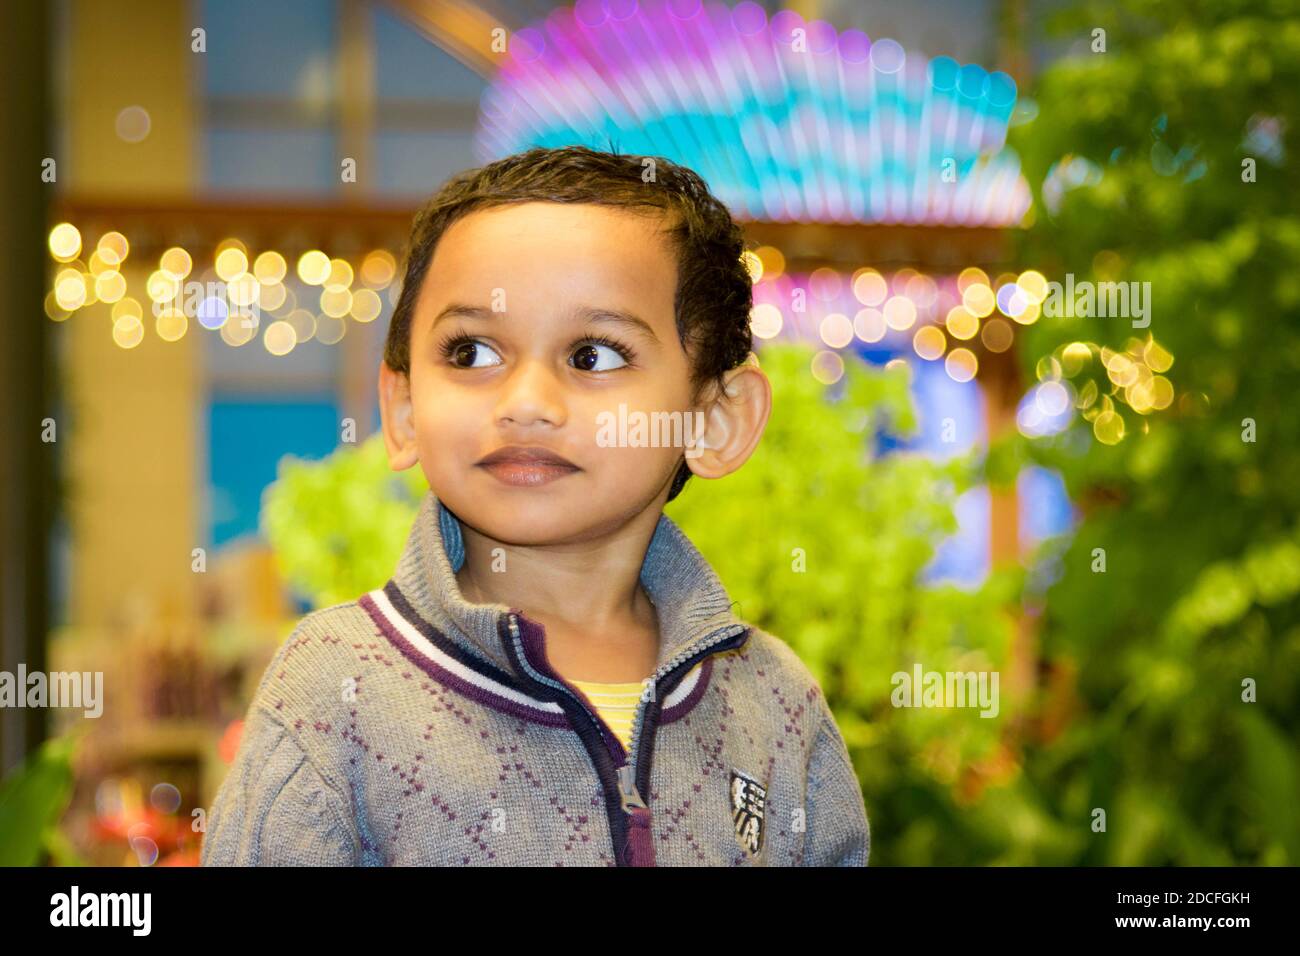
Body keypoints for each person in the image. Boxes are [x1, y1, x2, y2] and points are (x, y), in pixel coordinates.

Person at [200, 145, 869, 866]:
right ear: (401, 407)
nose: (524, 404)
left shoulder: (774, 704)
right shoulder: (336, 692)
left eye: (594, 356)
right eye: (471, 353)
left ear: (714, 418)